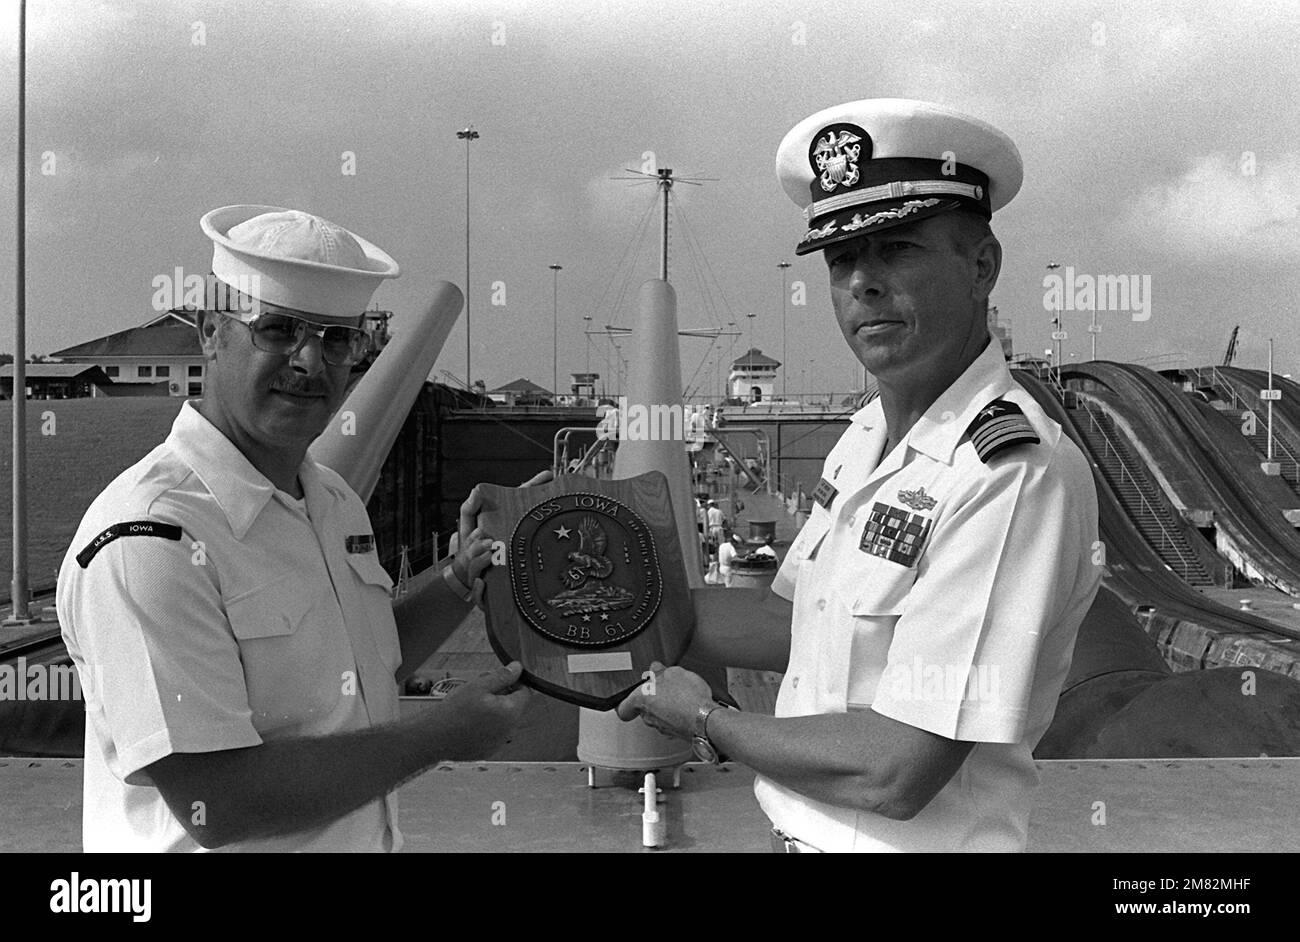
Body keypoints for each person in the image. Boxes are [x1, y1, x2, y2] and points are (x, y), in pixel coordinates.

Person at [618, 100, 1101, 852]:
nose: (863, 285)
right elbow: (795, 622)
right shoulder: (864, 438)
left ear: (983, 266)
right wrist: (595, 584)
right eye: (843, 260)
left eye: (898, 249)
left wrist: (707, 720)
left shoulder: (1008, 474)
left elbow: (898, 771)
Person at [57, 205, 532, 852]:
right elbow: (215, 801)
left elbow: (354, 669)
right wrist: (443, 734)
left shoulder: (330, 500)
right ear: (210, 331)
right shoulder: (149, 539)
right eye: (278, 330)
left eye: (338, 339)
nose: (311, 363)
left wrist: (457, 579)